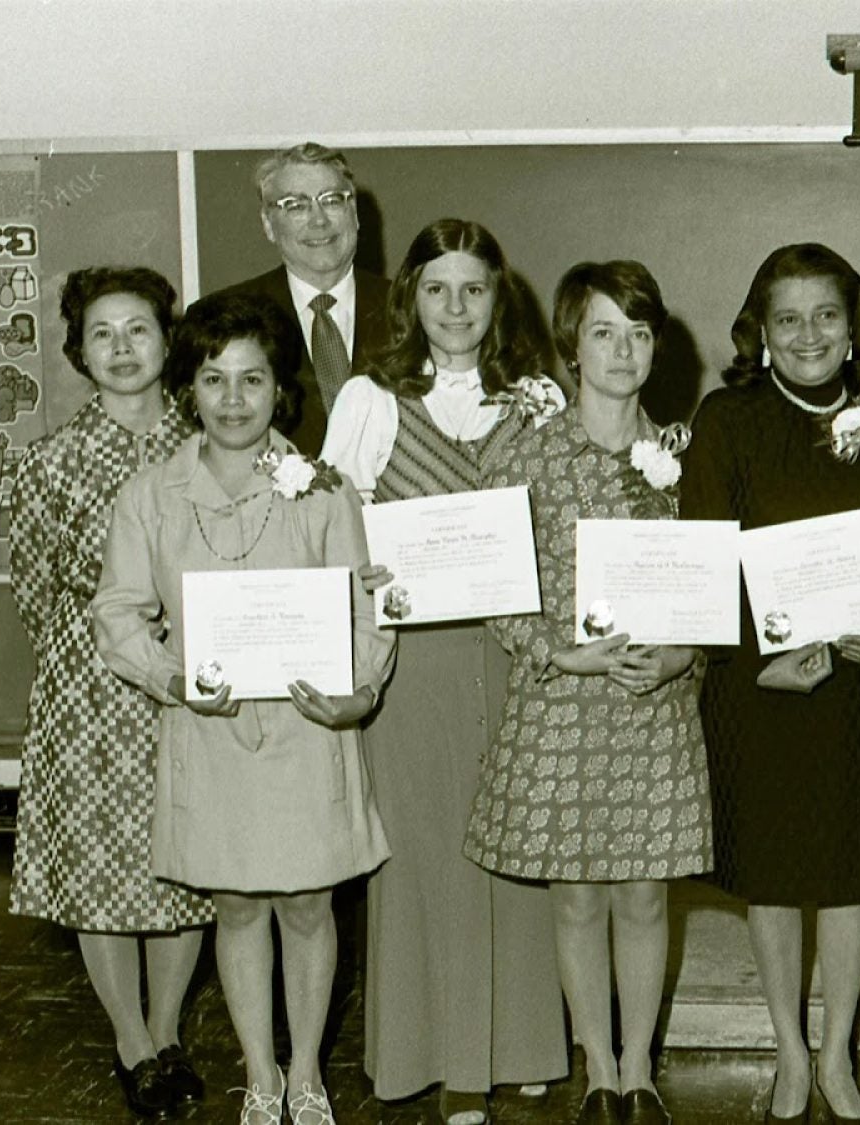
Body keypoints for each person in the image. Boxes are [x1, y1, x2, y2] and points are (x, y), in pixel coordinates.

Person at [92, 293, 395, 1125]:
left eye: (252, 379)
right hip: (211, 727)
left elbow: (371, 606)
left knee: (306, 904)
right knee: (237, 906)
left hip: (306, 729)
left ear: (278, 389)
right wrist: (172, 676)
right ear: (188, 387)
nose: (233, 398)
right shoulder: (150, 495)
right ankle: (261, 1075)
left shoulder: (322, 490)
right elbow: (117, 612)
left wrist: (356, 691)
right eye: (214, 378)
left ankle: (307, 1076)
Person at [321, 219, 568, 1123]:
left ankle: (529, 1041)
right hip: (414, 663)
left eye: (474, 289)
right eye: (437, 289)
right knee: (429, 856)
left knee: (519, 850)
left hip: (516, 654)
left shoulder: (538, 397)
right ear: (409, 299)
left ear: (499, 298)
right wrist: (364, 573)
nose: (456, 309)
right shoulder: (369, 398)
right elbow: (331, 525)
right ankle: (449, 1057)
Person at [679, 243, 860, 1124]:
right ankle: (788, 1049)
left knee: (851, 873)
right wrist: (760, 655)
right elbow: (705, 557)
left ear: (854, 324)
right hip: (762, 686)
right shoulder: (726, 418)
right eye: (787, 317)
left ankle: (837, 1054)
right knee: (777, 876)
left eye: (826, 314)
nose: (808, 334)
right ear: (761, 330)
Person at [465, 260, 711, 1125]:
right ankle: (597, 1069)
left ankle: (639, 1067)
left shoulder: (685, 453)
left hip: (654, 701)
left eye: (639, 333)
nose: (623, 350)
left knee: (646, 892)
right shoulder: (522, 453)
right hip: (561, 702)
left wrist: (684, 655)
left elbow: (716, 587)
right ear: (572, 345)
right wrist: (555, 653)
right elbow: (494, 590)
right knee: (575, 893)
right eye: (604, 332)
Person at [8, 266, 212, 1120]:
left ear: (169, 342)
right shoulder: (48, 462)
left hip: (196, 681)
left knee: (188, 864)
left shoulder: (214, 444)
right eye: (102, 333)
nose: (123, 348)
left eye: (139, 329)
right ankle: (129, 1037)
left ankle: (168, 1030)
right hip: (89, 694)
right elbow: (32, 587)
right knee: (103, 869)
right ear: (78, 353)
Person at [209, 142, 392, 455]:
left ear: (355, 213)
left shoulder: (409, 306)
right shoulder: (222, 315)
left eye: (332, 200)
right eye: (296, 205)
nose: (318, 220)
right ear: (268, 224)